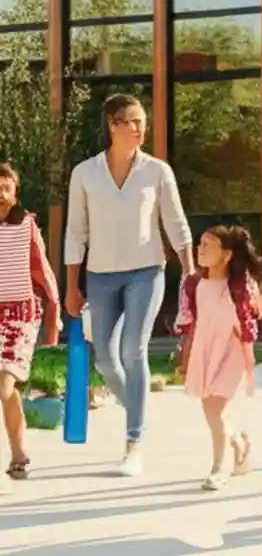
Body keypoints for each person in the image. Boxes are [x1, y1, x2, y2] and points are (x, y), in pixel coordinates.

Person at [63, 94, 193, 477]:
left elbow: (176, 223)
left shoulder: (158, 172)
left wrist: (189, 273)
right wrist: (72, 286)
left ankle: (134, 440)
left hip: (146, 273)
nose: (139, 128)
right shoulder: (85, 173)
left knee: (132, 350)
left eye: (142, 121)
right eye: (132, 122)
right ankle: (139, 407)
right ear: (112, 126)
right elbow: (75, 232)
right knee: (105, 358)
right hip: (100, 276)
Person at [176, 225, 262, 491]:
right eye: (200, 244)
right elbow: (192, 324)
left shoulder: (240, 286)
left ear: (227, 254)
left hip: (232, 353)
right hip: (205, 350)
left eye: (208, 245)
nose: (201, 249)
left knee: (214, 409)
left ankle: (220, 466)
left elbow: (256, 312)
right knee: (211, 409)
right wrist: (185, 357)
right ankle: (239, 443)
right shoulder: (194, 284)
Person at [0, 164, 59, 492]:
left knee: (4, 383)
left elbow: (42, 269)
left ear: (14, 192)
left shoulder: (25, 225)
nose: (1, 195)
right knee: (8, 394)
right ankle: (19, 455)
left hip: (21, 316)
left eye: (5, 188)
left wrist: (55, 312)